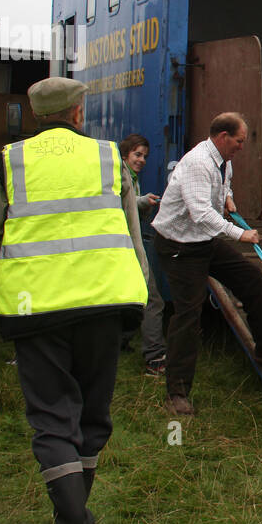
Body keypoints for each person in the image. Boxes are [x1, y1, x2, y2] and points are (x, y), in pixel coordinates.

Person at [0, 77, 148, 524]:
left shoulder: (8, 163)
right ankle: (75, 519)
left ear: (36, 114)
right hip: (105, 306)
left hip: (36, 311)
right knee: (91, 414)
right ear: (79, 113)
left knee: (51, 419)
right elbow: (132, 236)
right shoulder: (110, 159)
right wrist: (140, 296)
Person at [152, 112, 262, 415]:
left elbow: (220, 188)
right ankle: (177, 394)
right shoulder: (198, 163)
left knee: (251, 278)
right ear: (223, 137)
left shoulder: (223, 159)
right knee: (189, 313)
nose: (241, 147)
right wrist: (241, 234)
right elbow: (200, 213)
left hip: (203, 240)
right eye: (238, 141)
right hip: (179, 247)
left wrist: (228, 198)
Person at [119, 133, 167, 374]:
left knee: (128, 298)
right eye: (137, 154)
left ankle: (119, 341)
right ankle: (155, 357)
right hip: (124, 249)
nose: (142, 160)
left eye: (145, 156)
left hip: (124, 248)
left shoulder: (132, 177)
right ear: (125, 154)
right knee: (153, 300)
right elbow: (119, 206)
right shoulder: (120, 177)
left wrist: (143, 205)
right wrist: (141, 202)